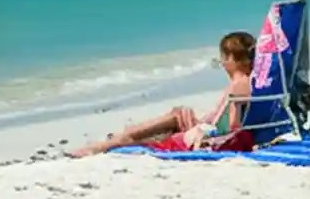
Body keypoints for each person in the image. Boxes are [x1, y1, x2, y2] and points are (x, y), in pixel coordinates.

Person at [69, 31, 256, 157]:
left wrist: (203, 127)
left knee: (174, 116)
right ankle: (123, 138)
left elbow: (232, 128)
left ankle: (109, 144)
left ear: (231, 59)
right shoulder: (251, 82)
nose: (222, 64)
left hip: (209, 137)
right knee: (179, 113)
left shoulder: (238, 86)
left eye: (223, 59)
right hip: (209, 130)